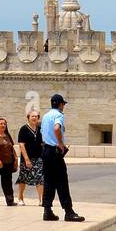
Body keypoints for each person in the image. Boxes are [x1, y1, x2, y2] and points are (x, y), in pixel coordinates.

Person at [40, 94, 84, 222]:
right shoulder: (59, 115)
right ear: (60, 104)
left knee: (48, 182)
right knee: (62, 181)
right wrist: (60, 144)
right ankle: (68, 211)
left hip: (46, 151)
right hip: (55, 152)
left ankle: (47, 210)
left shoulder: (45, 116)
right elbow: (57, 128)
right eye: (63, 104)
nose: (63, 106)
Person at [16, 110, 44, 206]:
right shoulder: (23, 129)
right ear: (28, 117)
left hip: (38, 158)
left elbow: (42, 143)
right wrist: (27, 159)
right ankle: (20, 197)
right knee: (23, 178)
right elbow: (21, 145)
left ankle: (41, 199)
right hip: (27, 158)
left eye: (36, 116)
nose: (34, 118)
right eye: (32, 116)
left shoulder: (40, 129)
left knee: (40, 178)